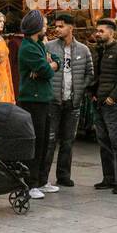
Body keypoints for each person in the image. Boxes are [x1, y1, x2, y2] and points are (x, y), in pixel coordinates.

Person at [43, 13, 92, 189]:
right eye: (56, 26)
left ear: (71, 28)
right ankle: (42, 177)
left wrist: (79, 90)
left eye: (61, 26)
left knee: (68, 141)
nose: (57, 29)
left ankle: (64, 176)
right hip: (53, 100)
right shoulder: (48, 47)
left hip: (73, 101)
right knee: (49, 141)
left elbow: (89, 73)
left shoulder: (83, 50)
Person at [90, 19, 117, 194]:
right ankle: (109, 178)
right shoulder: (99, 51)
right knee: (104, 142)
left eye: (101, 31)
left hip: (112, 104)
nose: (97, 33)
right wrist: (92, 93)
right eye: (97, 31)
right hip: (99, 102)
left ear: (111, 33)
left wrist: (113, 98)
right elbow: (97, 75)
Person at [15, 9, 54, 201]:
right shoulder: (29, 48)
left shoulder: (39, 44)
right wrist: (47, 66)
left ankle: (39, 180)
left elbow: (55, 62)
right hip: (33, 100)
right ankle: (30, 183)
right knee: (35, 142)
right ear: (37, 27)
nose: (47, 27)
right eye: (45, 24)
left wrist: (50, 64)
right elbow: (46, 70)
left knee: (44, 141)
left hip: (43, 99)